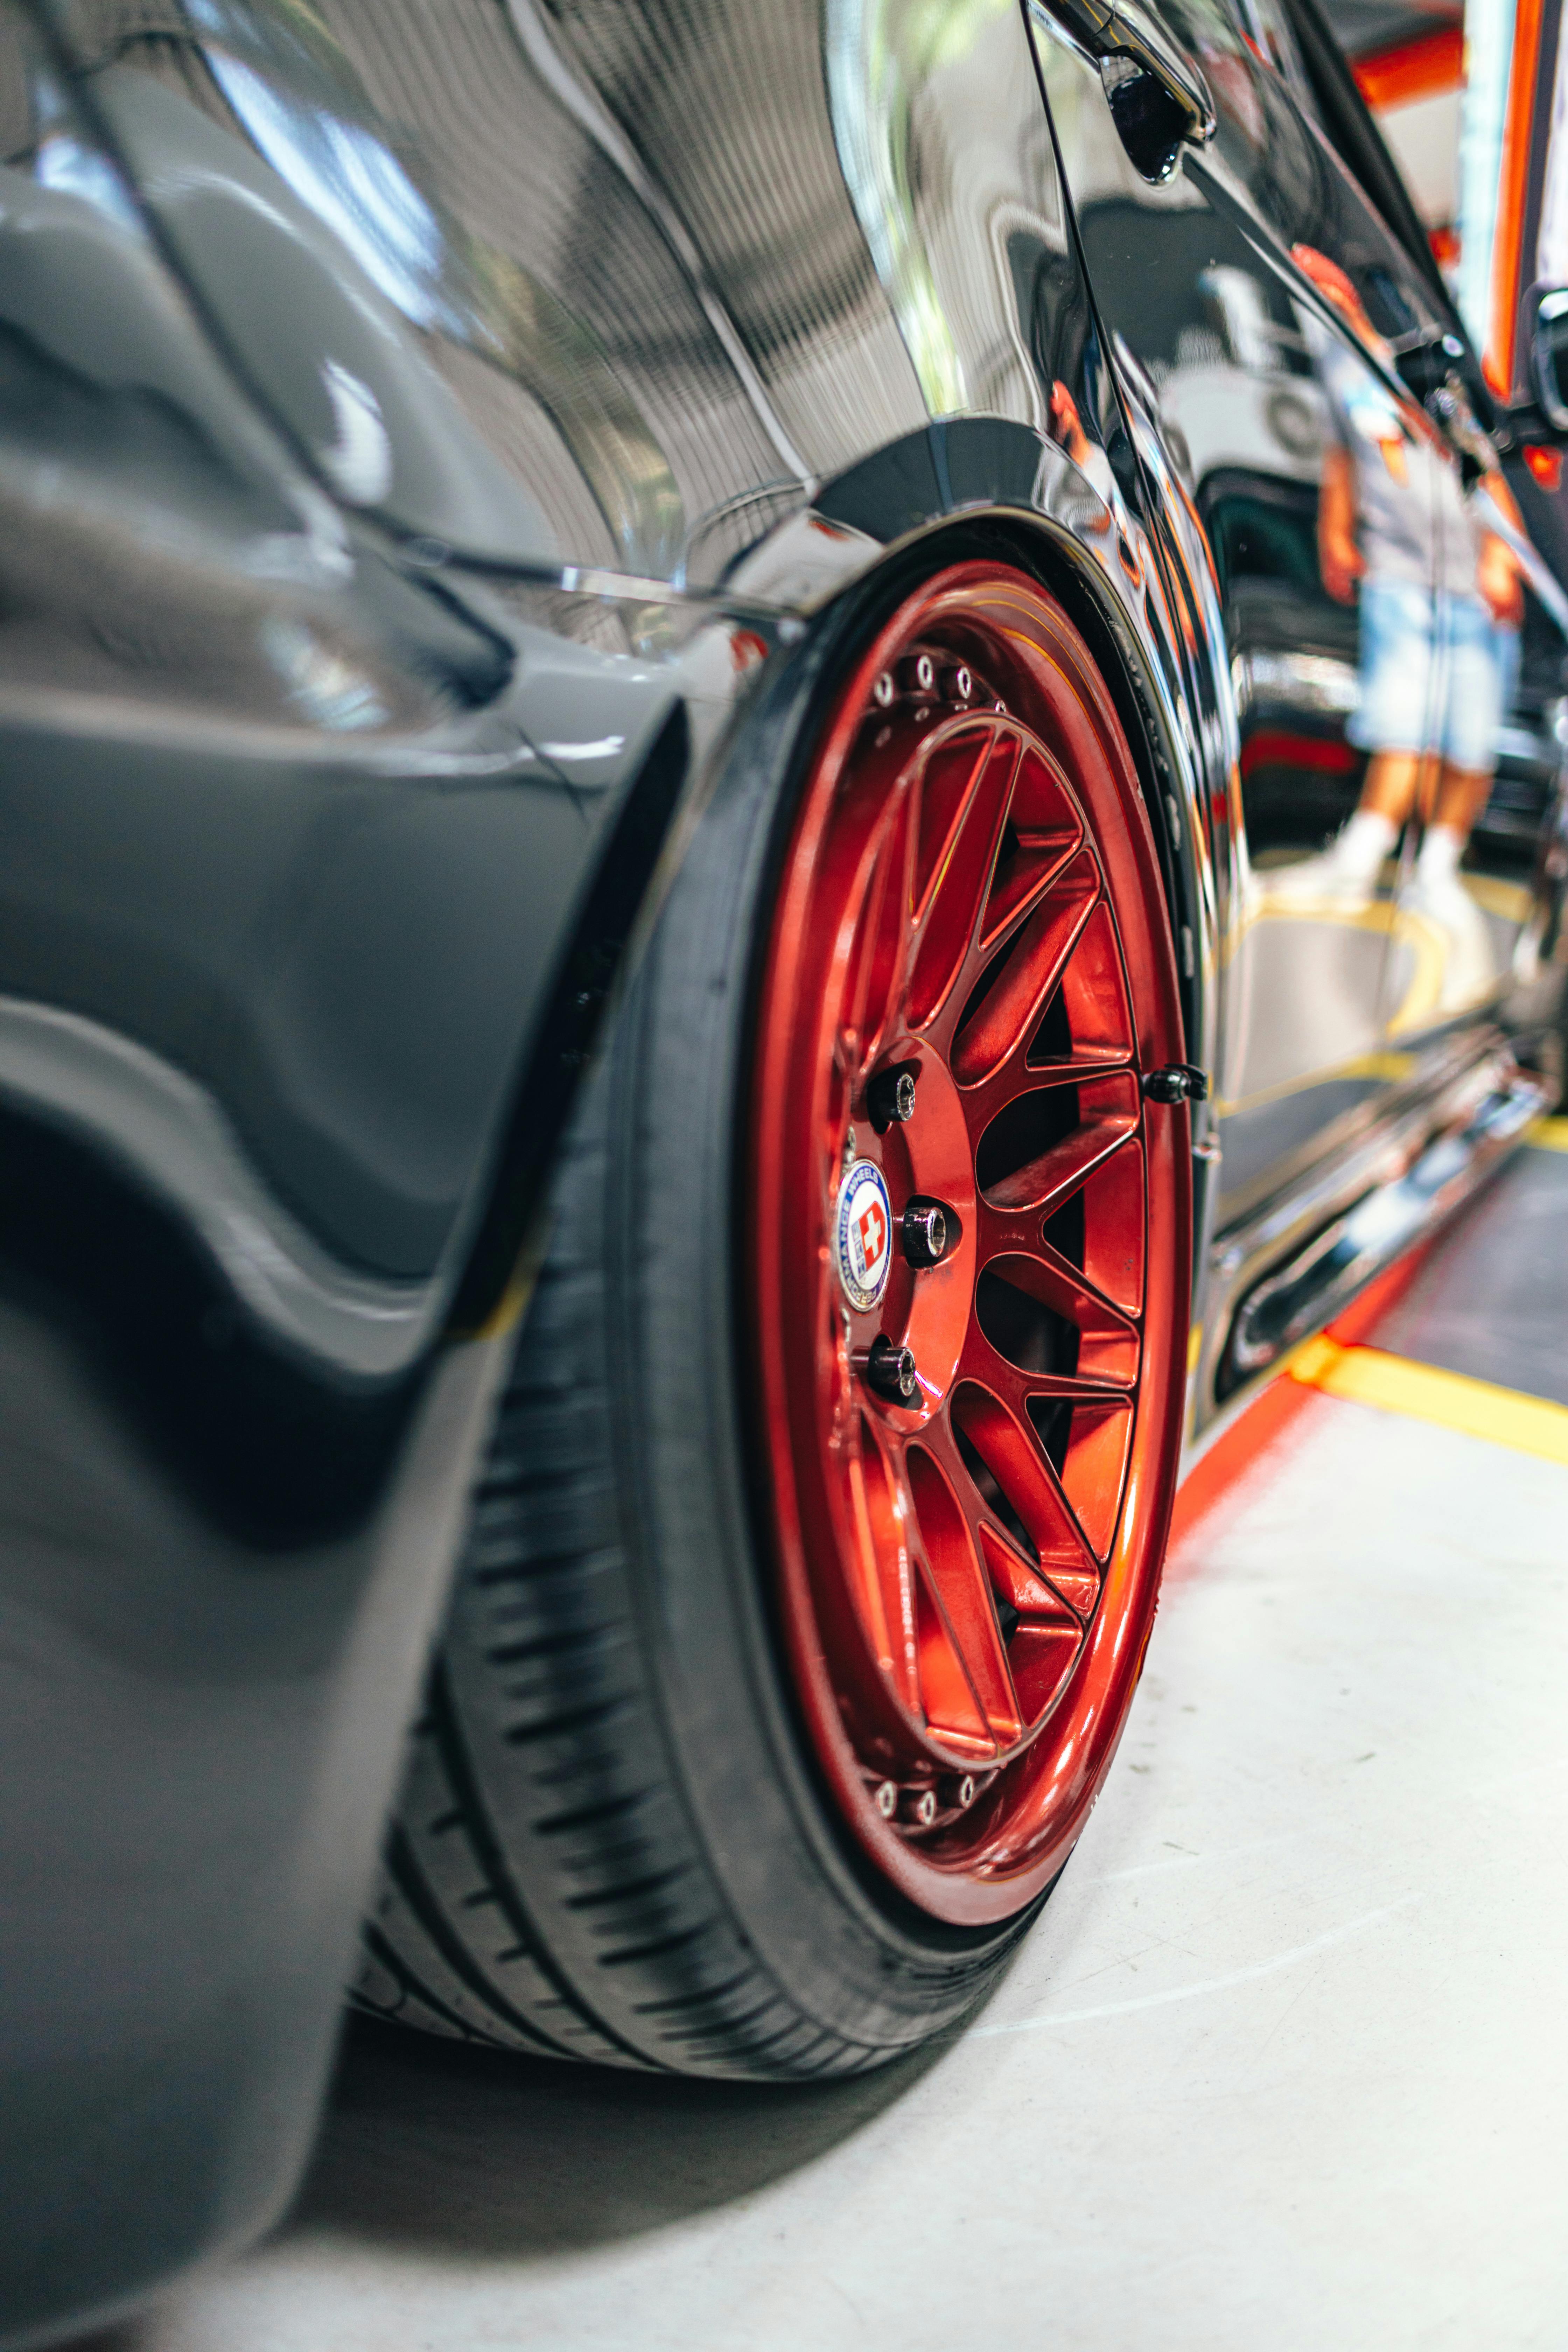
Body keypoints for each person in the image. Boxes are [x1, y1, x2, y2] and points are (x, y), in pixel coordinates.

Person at [1274, 246, 1524, 951]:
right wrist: (1334, 531)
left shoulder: (1420, 340)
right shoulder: (1331, 353)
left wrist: (1501, 554)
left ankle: (1438, 866)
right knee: (1398, 717)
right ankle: (1362, 853)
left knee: (1469, 726)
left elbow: (1485, 447)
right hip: (1396, 561)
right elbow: (1338, 448)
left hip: (1471, 564)